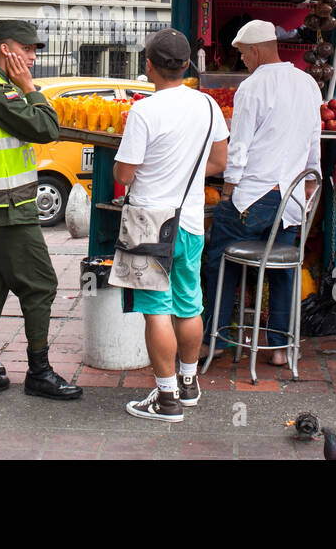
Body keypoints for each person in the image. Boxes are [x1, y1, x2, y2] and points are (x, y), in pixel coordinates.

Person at [0, 19, 80, 402]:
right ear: (5, 50)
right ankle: (39, 372)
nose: (31, 57)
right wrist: (30, 89)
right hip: (7, 207)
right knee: (41, 284)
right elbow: (46, 129)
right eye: (26, 50)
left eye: (34, 51)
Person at [114, 29, 228, 422]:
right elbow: (218, 164)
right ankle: (189, 382)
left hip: (149, 222)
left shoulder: (145, 111)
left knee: (156, 310)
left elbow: (125, 174)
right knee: (188, 303)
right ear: (186, 65)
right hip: (191, 219)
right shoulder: (209, 106)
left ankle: (166, 400)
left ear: (149, 65)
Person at [202, 19, 321, 367]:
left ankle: (216, 339)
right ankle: (280, 348)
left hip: (254, 200)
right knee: (282, 270)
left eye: (242, 54)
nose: (241, 61)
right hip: (292, 200)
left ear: (255, 50)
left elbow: (238, 148)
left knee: (219, 261)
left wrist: (227, 192)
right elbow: (313, 139)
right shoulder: (307, 83)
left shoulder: (252, 87)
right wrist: (310, 182)